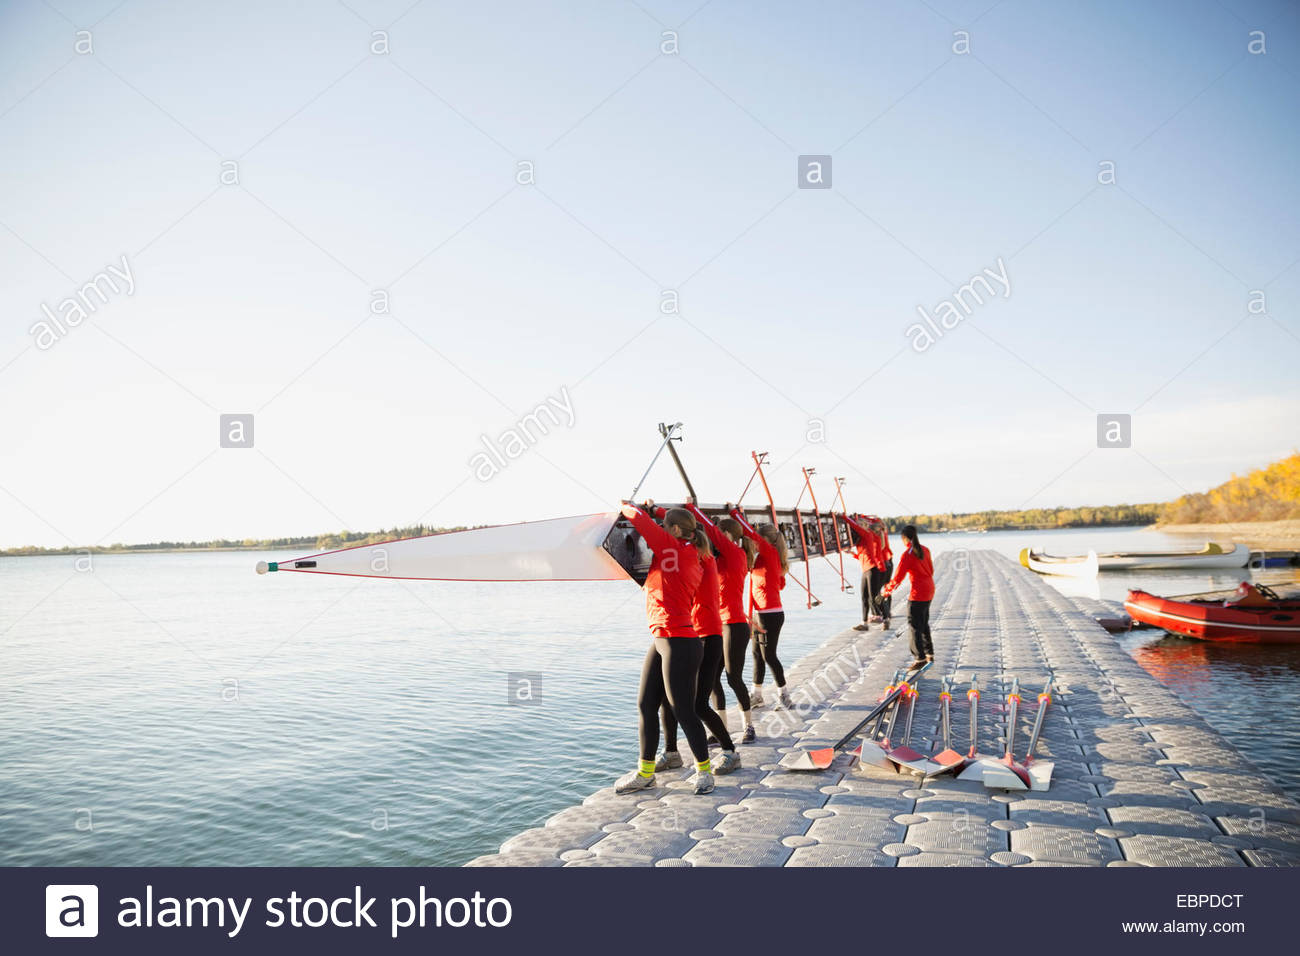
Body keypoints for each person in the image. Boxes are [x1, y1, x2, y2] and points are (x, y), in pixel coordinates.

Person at [614, 501, 714, 795]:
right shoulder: (678, 550)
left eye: (664, 526)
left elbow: (639, 521)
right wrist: (658, 511)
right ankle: (645, 774)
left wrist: (627, 505)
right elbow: (658, 524)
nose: (659, 530)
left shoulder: (676, 551)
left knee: (683, 710)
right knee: (646, 704)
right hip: (662, 639)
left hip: (680, 642)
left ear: (675, 531)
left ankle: (704, 773)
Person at [654, 519, 743, 774]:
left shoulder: (702, 560)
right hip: (693, 634)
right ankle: (671, 753)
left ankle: (730, 752)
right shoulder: (698, 557)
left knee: (698, 704)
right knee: (668, 699)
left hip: (706, 637)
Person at [688, 503, 758, 742]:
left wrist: (692, 509)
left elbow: (712, 532)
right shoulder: (717, 560)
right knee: (713, 679)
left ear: (728, 535)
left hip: (735, 624)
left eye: (720, 533)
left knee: (733, 677)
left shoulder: (736, 554)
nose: (715, 537)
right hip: (718, 625)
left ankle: (749, 726)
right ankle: (721, 730)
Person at [729, 507, 792, 709]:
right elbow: (780, 585)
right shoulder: (766, 559)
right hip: (761, 614)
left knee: (769, 655)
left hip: (769, 615)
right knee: (757, 654)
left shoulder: (770, 553)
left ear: (765, 541)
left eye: (757, 542)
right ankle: (757, 695)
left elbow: (750, 532)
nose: (754, 545)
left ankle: (785, 696)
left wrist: (735, 515)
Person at [880, 524, 935, 670]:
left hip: (918, 593)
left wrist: (886, 593)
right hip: (929, 588)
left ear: (904, 538)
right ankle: (929, 653)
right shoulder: (925, 549)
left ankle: (919, 658)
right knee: (923, 622)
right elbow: (931, 569)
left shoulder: (907, 554)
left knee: (914, 625)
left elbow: (898, 578)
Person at [840, 513, 892, 630]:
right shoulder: (862, 539)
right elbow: (863, 555)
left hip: (873, 570)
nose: (856, 527)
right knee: (864, 597)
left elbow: (854, 526)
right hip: (865, 570)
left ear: (864, 526)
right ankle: (864, 624)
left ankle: (886, 618)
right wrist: (851, 553)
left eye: (859, 525)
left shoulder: (867, 534)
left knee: (874, 597)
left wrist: (843, 517)